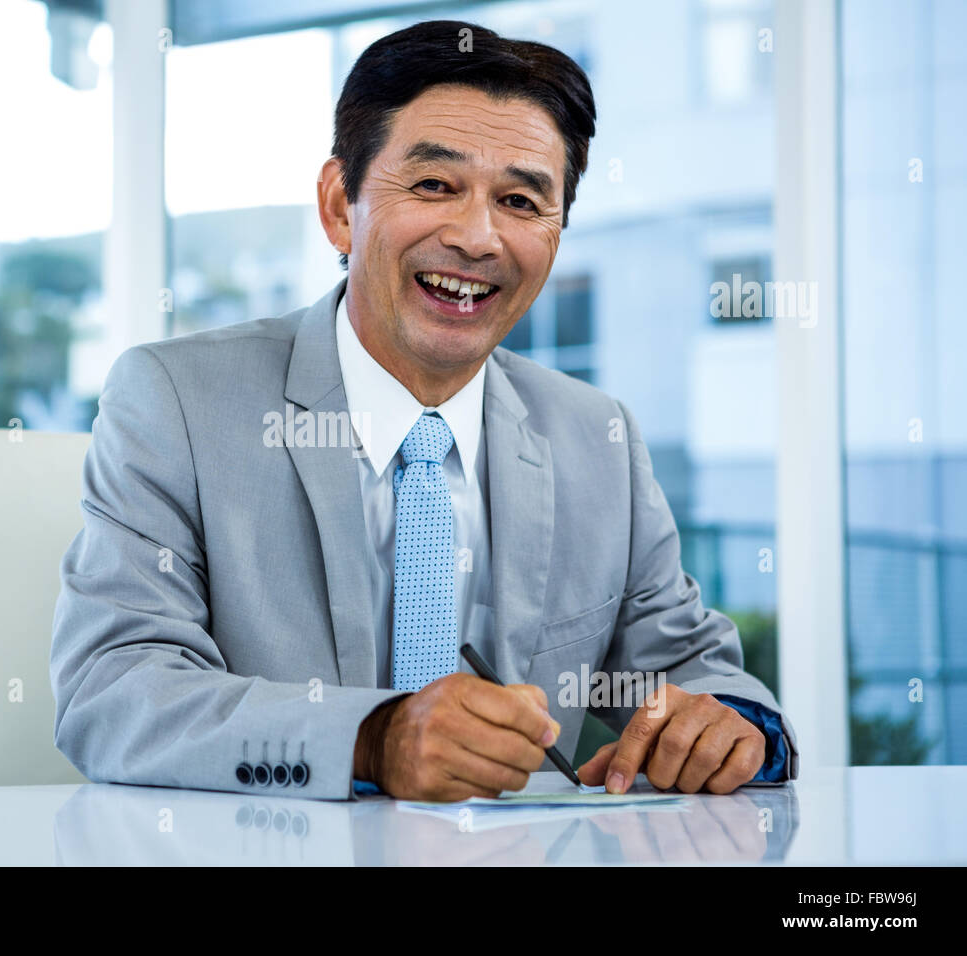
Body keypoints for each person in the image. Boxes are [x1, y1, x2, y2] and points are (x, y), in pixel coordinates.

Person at [51, 19, 798, 801]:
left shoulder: (597, 437)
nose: (477, 238)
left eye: (519, 201)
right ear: (341, 205)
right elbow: (115, 687)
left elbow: (691, 670)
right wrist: (372, 739)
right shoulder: (175, 403)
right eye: (436, 186)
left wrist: (736, 725)